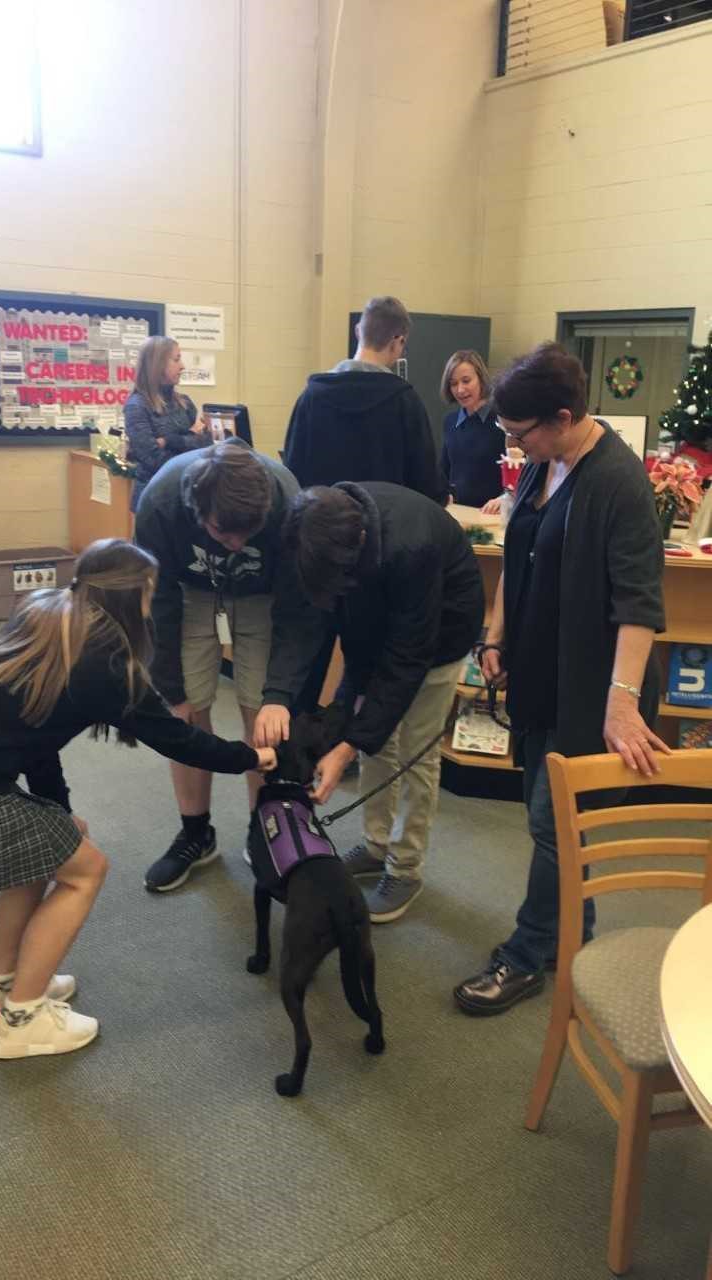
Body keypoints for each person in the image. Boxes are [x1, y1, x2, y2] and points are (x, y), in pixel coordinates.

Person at [0, 539, 276, 1059]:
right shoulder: (106, 660)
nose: (153, 603)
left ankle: (2, 987)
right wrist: (250, 758)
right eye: (149, 592)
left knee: (46, 846)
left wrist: (56, 809)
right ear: (129, 596)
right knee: (87, 869)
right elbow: (177, 739)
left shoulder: (44, 611)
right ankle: (21, 1020)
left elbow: (33, 734)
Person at [453, 342, 669, 1017]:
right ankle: (576, 936)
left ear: (564, 415)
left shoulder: (616, 481)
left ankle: (529, 952)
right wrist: (495, 633)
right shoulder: (538, 469)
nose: (514, 446)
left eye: (521, 433)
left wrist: (622, 705)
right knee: (549, 819)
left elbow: (638, 603)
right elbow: (515, 560)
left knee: (554, 822)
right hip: (540, 672)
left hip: (592, 683)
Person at [284, 481, 485, 923]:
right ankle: (377, 844)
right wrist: (341, 726)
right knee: (376, 739)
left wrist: (346, 747)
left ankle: (405, 867)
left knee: (416, 753)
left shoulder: (411, 546)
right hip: (384, 623)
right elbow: (353, 643)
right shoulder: (320, 531)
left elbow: (407, 659)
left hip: (440, 635)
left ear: (352, 557)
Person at [134, 440, 325, 892]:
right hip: (190, 593)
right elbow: (154, 600)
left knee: (262, 716)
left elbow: (301, 609)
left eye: (248, 533)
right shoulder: (160, 502)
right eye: (224, 533)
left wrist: (279, 697)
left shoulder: (288, 503)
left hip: (264, 598)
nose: (237, 544)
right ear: (197, 509)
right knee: (188, 715)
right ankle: (196, 834)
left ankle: (264, 835)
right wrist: (171, 691)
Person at [283, 296, 443, 502]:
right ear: (399, 341)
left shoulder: (311, 398)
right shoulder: (405, 402)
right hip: (385, 528)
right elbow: (425, 484)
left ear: (358, 331)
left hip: (323, 528)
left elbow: (292, 475)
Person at [124, 336, 210, 512]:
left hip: (185, 496)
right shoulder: (136, 406)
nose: (183, 366)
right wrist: (191, 437)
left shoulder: (184, 402)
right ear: (158, 364)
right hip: (153, 498)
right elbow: (154, 460)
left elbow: (205, 446)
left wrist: (170, 441)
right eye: (176, 359)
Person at [439, 349, 505, 513]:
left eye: (466, 381)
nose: (460, 390)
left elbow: (521, 472)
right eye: (453, 383)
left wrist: (504, 499)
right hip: (457, 512)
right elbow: (443, 471)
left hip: (491, 514)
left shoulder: (503, 421)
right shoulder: (450, 421)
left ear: (481, 379)